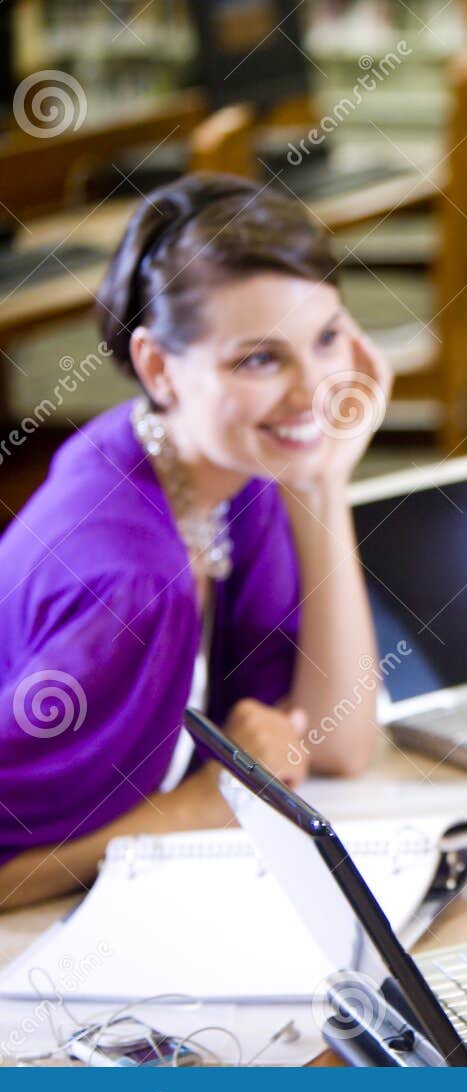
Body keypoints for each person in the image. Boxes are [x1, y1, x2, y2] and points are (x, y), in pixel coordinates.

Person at [0, 175, 391, 910]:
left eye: (328, 336)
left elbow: (338, 742)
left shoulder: (215, 472)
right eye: (260, 359)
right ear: (157, 367)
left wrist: (320, 484)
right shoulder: (131, 584)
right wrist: (195, 806)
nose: (319, 389)